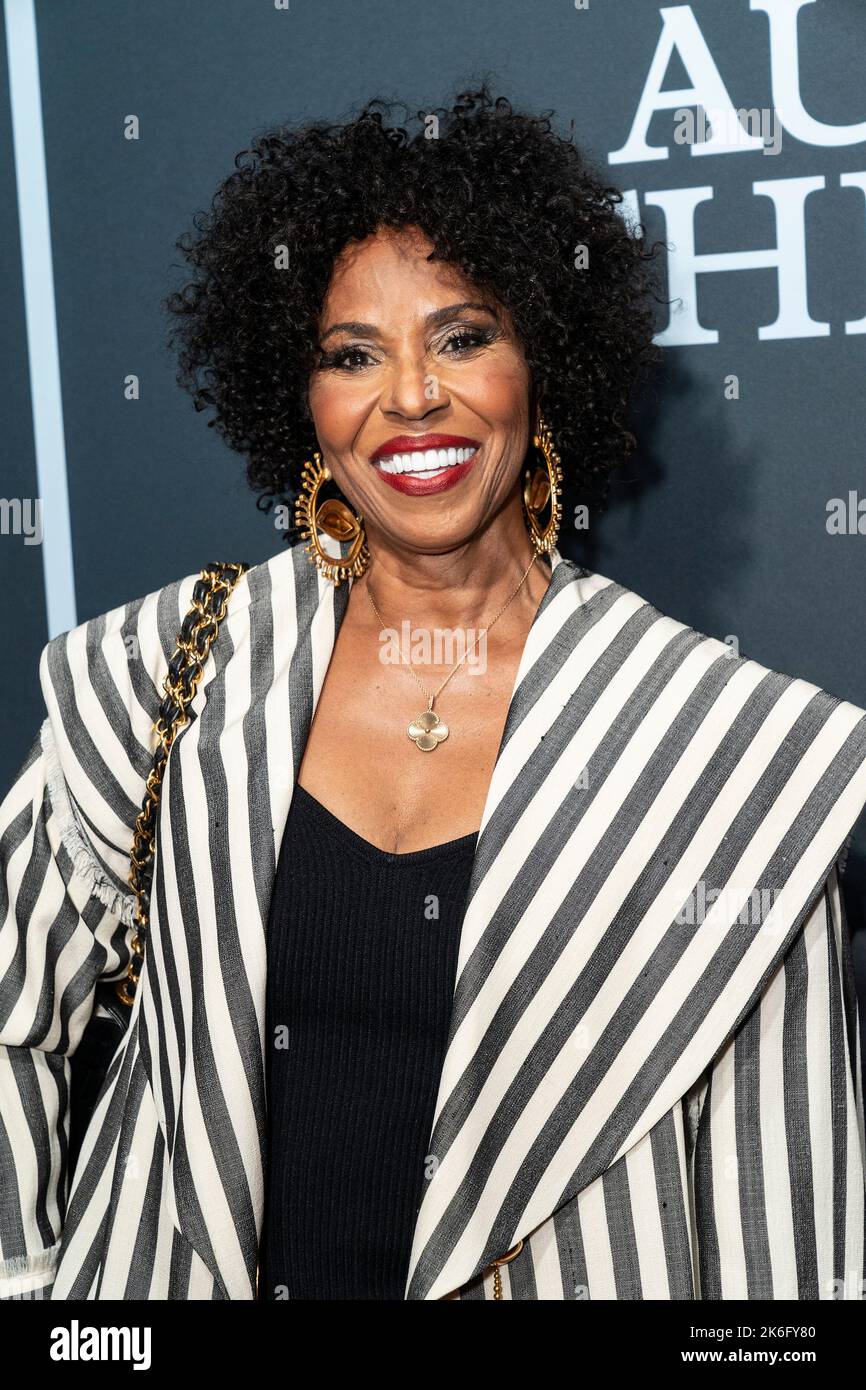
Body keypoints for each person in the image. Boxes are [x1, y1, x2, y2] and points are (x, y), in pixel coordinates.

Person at [1, 87, 864, 1302]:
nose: (409, 397)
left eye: (461, 337)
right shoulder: (162, 675)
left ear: (542, 360)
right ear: (300, 401)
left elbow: (786, 1206)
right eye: (352, 354)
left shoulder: (727, 753)